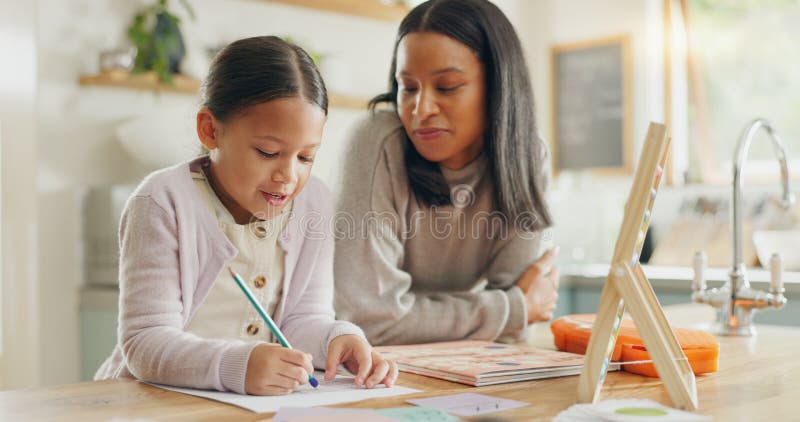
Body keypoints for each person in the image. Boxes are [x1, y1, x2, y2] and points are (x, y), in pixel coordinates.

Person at [95, 36, 397, 395]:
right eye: (268, 152)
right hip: (150, 403)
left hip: (249, 406)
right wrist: (237, 366)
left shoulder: (314, 202)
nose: (288, 175)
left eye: (305, 157)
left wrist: (338, 337)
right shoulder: (161, 201)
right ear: (210, 130)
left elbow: (301, 320)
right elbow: (144, 345)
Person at [334, 0, 560, 346]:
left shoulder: (528, 155)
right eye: (408, 88)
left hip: (452, 364)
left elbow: (514, 328)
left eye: (447, 87)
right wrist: (509, 310)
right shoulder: (376, 141)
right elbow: (367, 319)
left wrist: (511, 312)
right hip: (357, 362)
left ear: (498, 88)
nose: (421, 110)